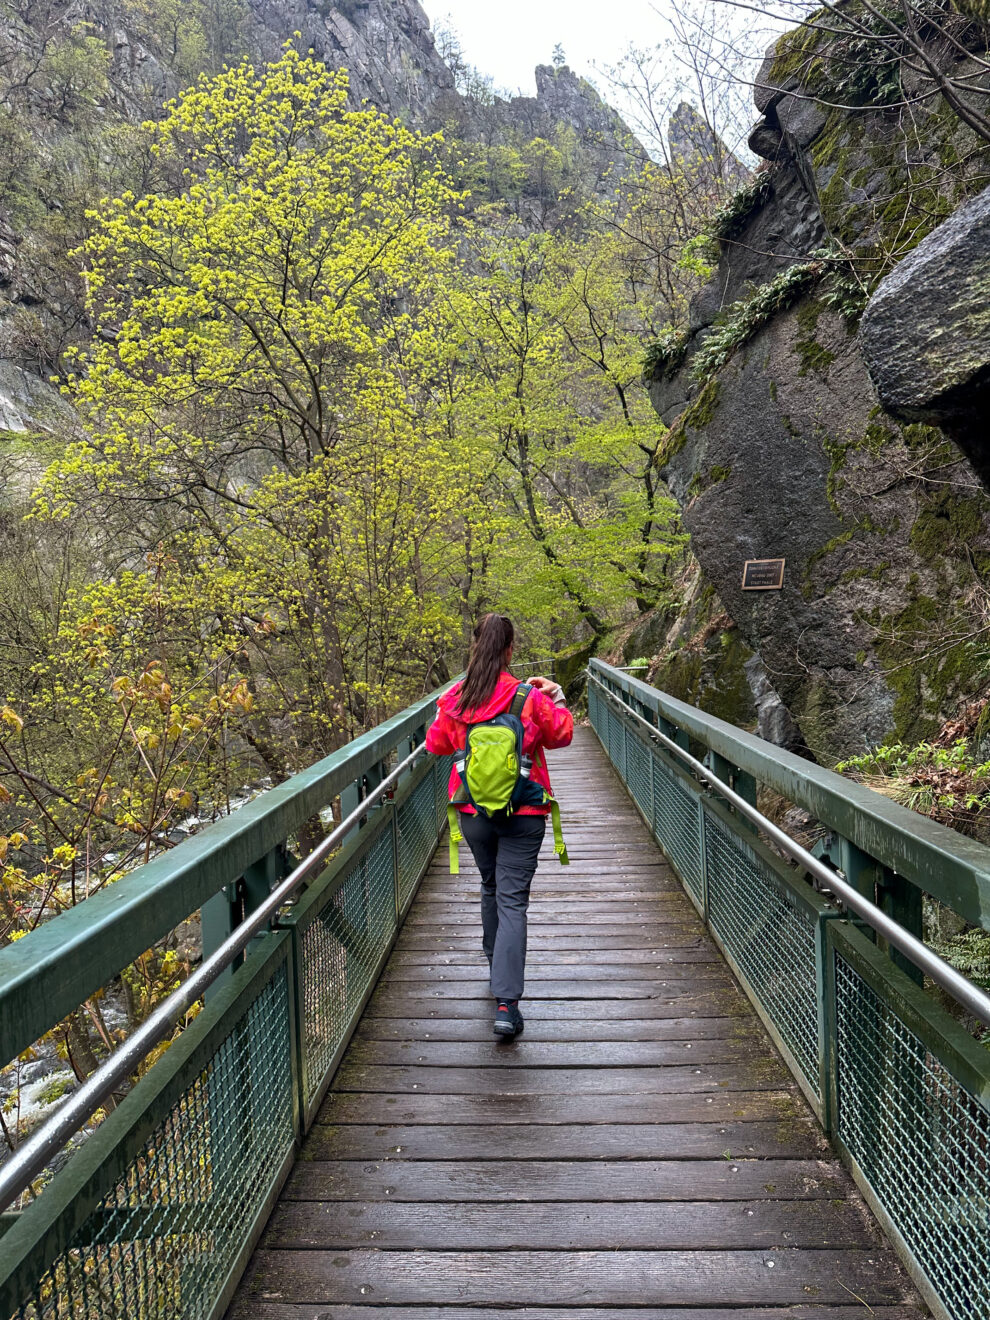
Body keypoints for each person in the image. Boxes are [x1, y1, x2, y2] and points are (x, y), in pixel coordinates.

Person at [426, 614, 574, 1038]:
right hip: (523, 814)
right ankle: (506, 1004)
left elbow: (436, 744)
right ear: (510, 650)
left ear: (475, 648)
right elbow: (562, 735)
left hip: (471, 812)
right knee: (513, 900)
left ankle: (496, 964)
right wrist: (557, 695)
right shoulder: (527, 697)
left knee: (491, 886)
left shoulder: (456, 698)